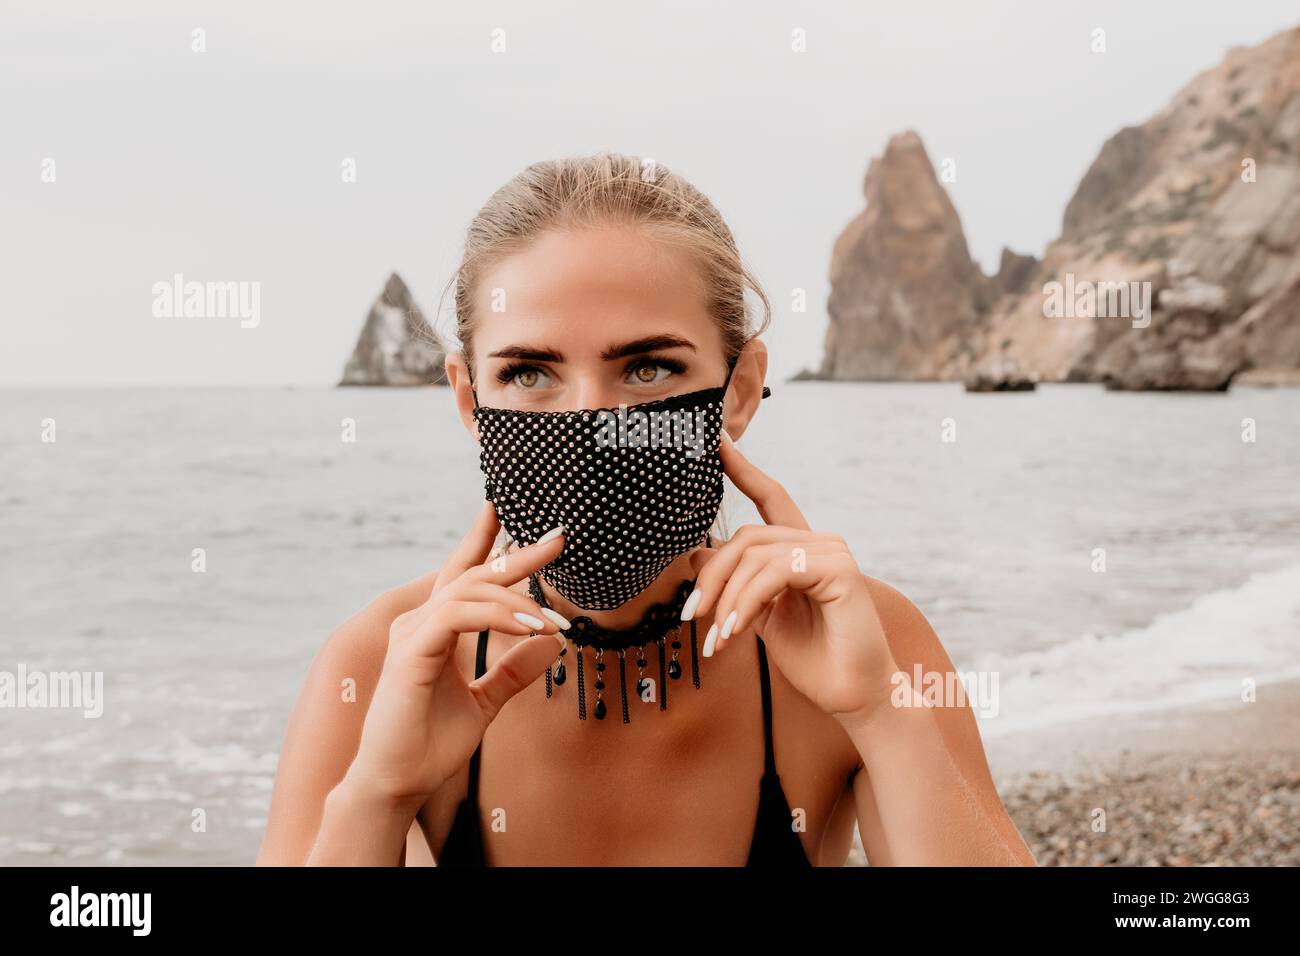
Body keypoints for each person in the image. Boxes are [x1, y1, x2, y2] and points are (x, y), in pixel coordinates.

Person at [256, 152, 1036, 867]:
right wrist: (378, 793)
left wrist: (882, 718)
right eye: (531, 375)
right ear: (469, 399)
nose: (591, 422)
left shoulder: (860, 638)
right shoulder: (381, 664)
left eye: (650, 368)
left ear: (736, 389)